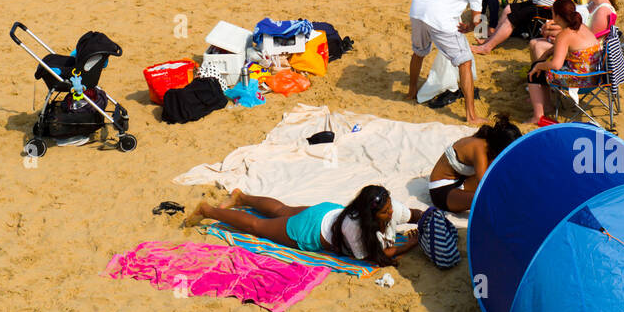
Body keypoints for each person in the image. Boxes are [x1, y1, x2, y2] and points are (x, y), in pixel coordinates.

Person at [190, 185, 422, 266]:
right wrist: (409, 244)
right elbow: (378, 257)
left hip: (326, 212)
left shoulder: (387, 208)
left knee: (282, 211)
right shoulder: (357, 231)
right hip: (310, 230)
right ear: (371, 215)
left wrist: (427, 218)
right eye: (385, 211)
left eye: (390, 207)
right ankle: (208, 210)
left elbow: (413, 213)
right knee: (258, 227)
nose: (391, 212)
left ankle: (241, 198)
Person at [406, 0, 485, 124]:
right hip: (439, 17)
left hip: (417, 9)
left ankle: (411, 93)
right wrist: (471, 28)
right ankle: (471, 116)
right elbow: (478, 18)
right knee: (464, 61)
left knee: (419, 52)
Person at [526, 0, 603, 125]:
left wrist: (539, 65)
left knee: (534, 73)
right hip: (597, 75)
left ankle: (538, 116)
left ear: (556, 15)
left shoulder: (564, 34)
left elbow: (556, 64)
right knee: (540, 67)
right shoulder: (581, 26)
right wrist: (546, 54)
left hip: (580, 80)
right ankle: (548, 105)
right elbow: (563, 47)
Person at [427, 114, 521, 212]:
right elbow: (485, 186)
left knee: (502, 180)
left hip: (461, 180)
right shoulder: (480, 148)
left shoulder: (488, 143)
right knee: (487, 199)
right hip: (441, 191)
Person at [528, 0, 618, 67]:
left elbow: (590, 38)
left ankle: (542, 78)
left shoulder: (603, 11)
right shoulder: (593, 3)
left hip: (587, 53)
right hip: (577, 41)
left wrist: (559, 36)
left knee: (538, 46)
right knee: (533, 42)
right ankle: (535, 75)